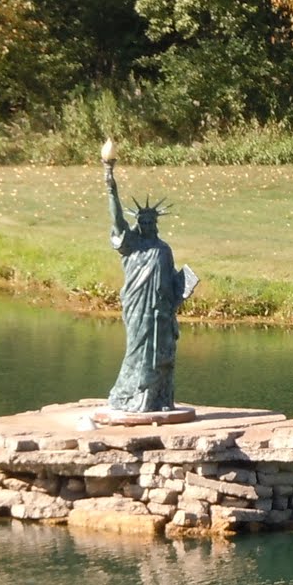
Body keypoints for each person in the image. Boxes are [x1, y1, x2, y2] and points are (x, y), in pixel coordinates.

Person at [102, 151, 194, 413]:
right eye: (142, 221)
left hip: (161, 313)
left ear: (157, 223)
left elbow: (171, 282)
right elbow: (117, 220)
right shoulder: (132, 245)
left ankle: (158, 398)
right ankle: (129, 396)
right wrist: (110, 185)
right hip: (138, 308)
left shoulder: (164, 249)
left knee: (162, 355)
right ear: (138, 223)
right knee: (137, 352)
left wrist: (182, 288)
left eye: (151, 221)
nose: (147, 224)